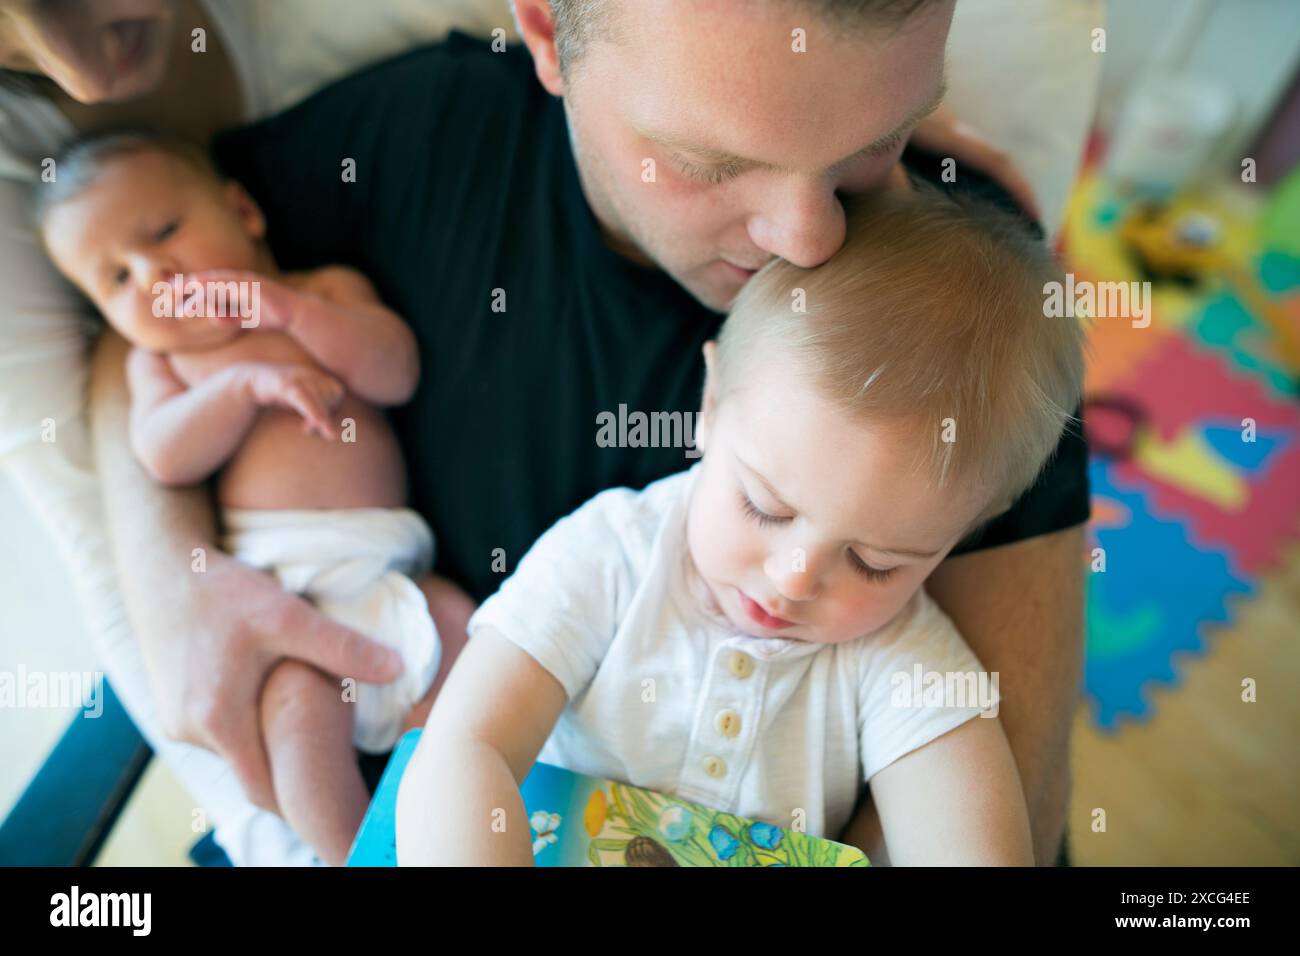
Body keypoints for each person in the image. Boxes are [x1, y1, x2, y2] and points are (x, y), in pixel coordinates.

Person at [8, 0, 1078, 865]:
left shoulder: (959, 292)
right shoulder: (429, 134)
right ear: (545, 31)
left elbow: (999, 797)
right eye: (709, 161)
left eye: (870, 142)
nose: (811, 236)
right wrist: (172, 583)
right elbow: (157, 324)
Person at [396, 186, 1085, 866]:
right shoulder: (611, 558)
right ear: (713, 403)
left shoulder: (899, 657)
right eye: (766, 508)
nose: (794, 578)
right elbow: (464, 748)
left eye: (875, 562)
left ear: (960, 537)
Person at [36, 131, 445, 865]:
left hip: (391, 567)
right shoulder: (164, 363)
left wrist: (287, 313)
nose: (155, 272)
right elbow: (163, 452)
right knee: (296, 723)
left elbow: (397, 373)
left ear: (243, 211)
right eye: (118, 279)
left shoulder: (324, 292)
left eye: (164, 233)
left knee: (473, 634)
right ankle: (355, 852)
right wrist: (241, 386)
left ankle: (444, 781)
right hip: (281, 595)